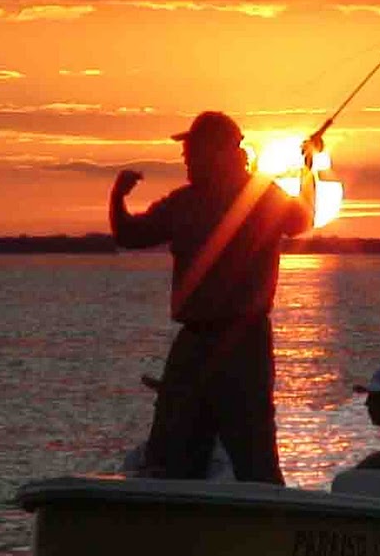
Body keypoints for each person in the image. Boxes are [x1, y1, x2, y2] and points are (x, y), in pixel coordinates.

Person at [109, 111, 316, 483]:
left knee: (252, 450)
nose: (186, 158)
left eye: (193, 150)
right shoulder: (183, 203)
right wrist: (118, 197)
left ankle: (270, 527)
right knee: (172, 449)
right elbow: (130, 234)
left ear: (222, 151)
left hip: (243, 343)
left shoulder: (260, 197)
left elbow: (300, 221)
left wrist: (307, 170)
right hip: (194, 342)